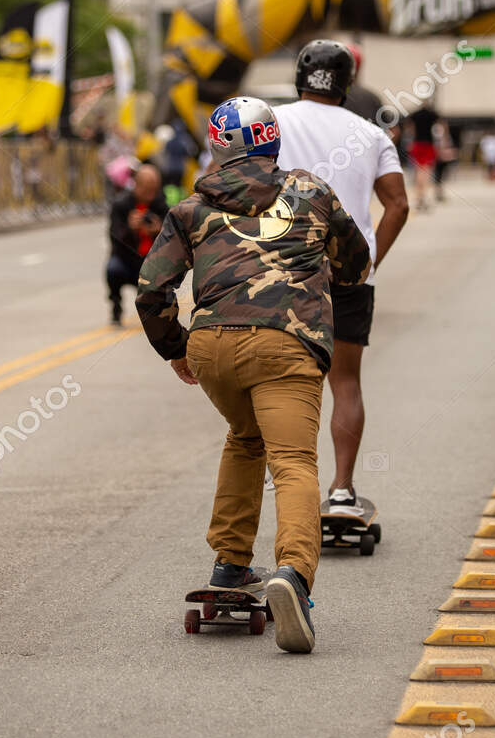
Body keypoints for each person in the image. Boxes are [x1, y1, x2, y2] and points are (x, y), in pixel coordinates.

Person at [137, 96, 371, 654]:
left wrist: (177, 349)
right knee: (292, 461)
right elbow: (356, 263)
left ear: (217, 146)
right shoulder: (310, 192)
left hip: (213, 345)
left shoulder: (191, 208)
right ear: (272, 140)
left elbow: (151, 288)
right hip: (286, 343)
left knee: (246, 438)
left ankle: (230, 564)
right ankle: (293, 575)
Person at [274, 40, 410, 519]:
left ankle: (287, 489)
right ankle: (342, 490)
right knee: (345, 382)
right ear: (348, 85)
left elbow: (228, 176)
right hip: (346, 275)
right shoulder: (372, 135)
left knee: (278, 385)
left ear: (299, 78)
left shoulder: (270, 120)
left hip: (280, 270)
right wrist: (370, 259)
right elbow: (398, 204)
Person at [107, 163, 168, 325]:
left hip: (151, 263)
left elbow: (175, 241)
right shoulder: (121, 205)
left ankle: (161, 311)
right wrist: (130, 228)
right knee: (113, 269)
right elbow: (114, 238)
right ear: (137, 185)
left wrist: (159, 230)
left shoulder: (161, 205)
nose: (150, 194)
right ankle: (116, 304)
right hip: (128, 261)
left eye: (154, 189)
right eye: (146, 189)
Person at [407, 101, 439, 211]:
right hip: (428, 144)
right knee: (426, 171)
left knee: (418, 170)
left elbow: (410, 129)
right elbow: (440, 128)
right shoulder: (432, 115)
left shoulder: (415, 115)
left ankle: (419, 196)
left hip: (417, 144)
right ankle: (422, 196)